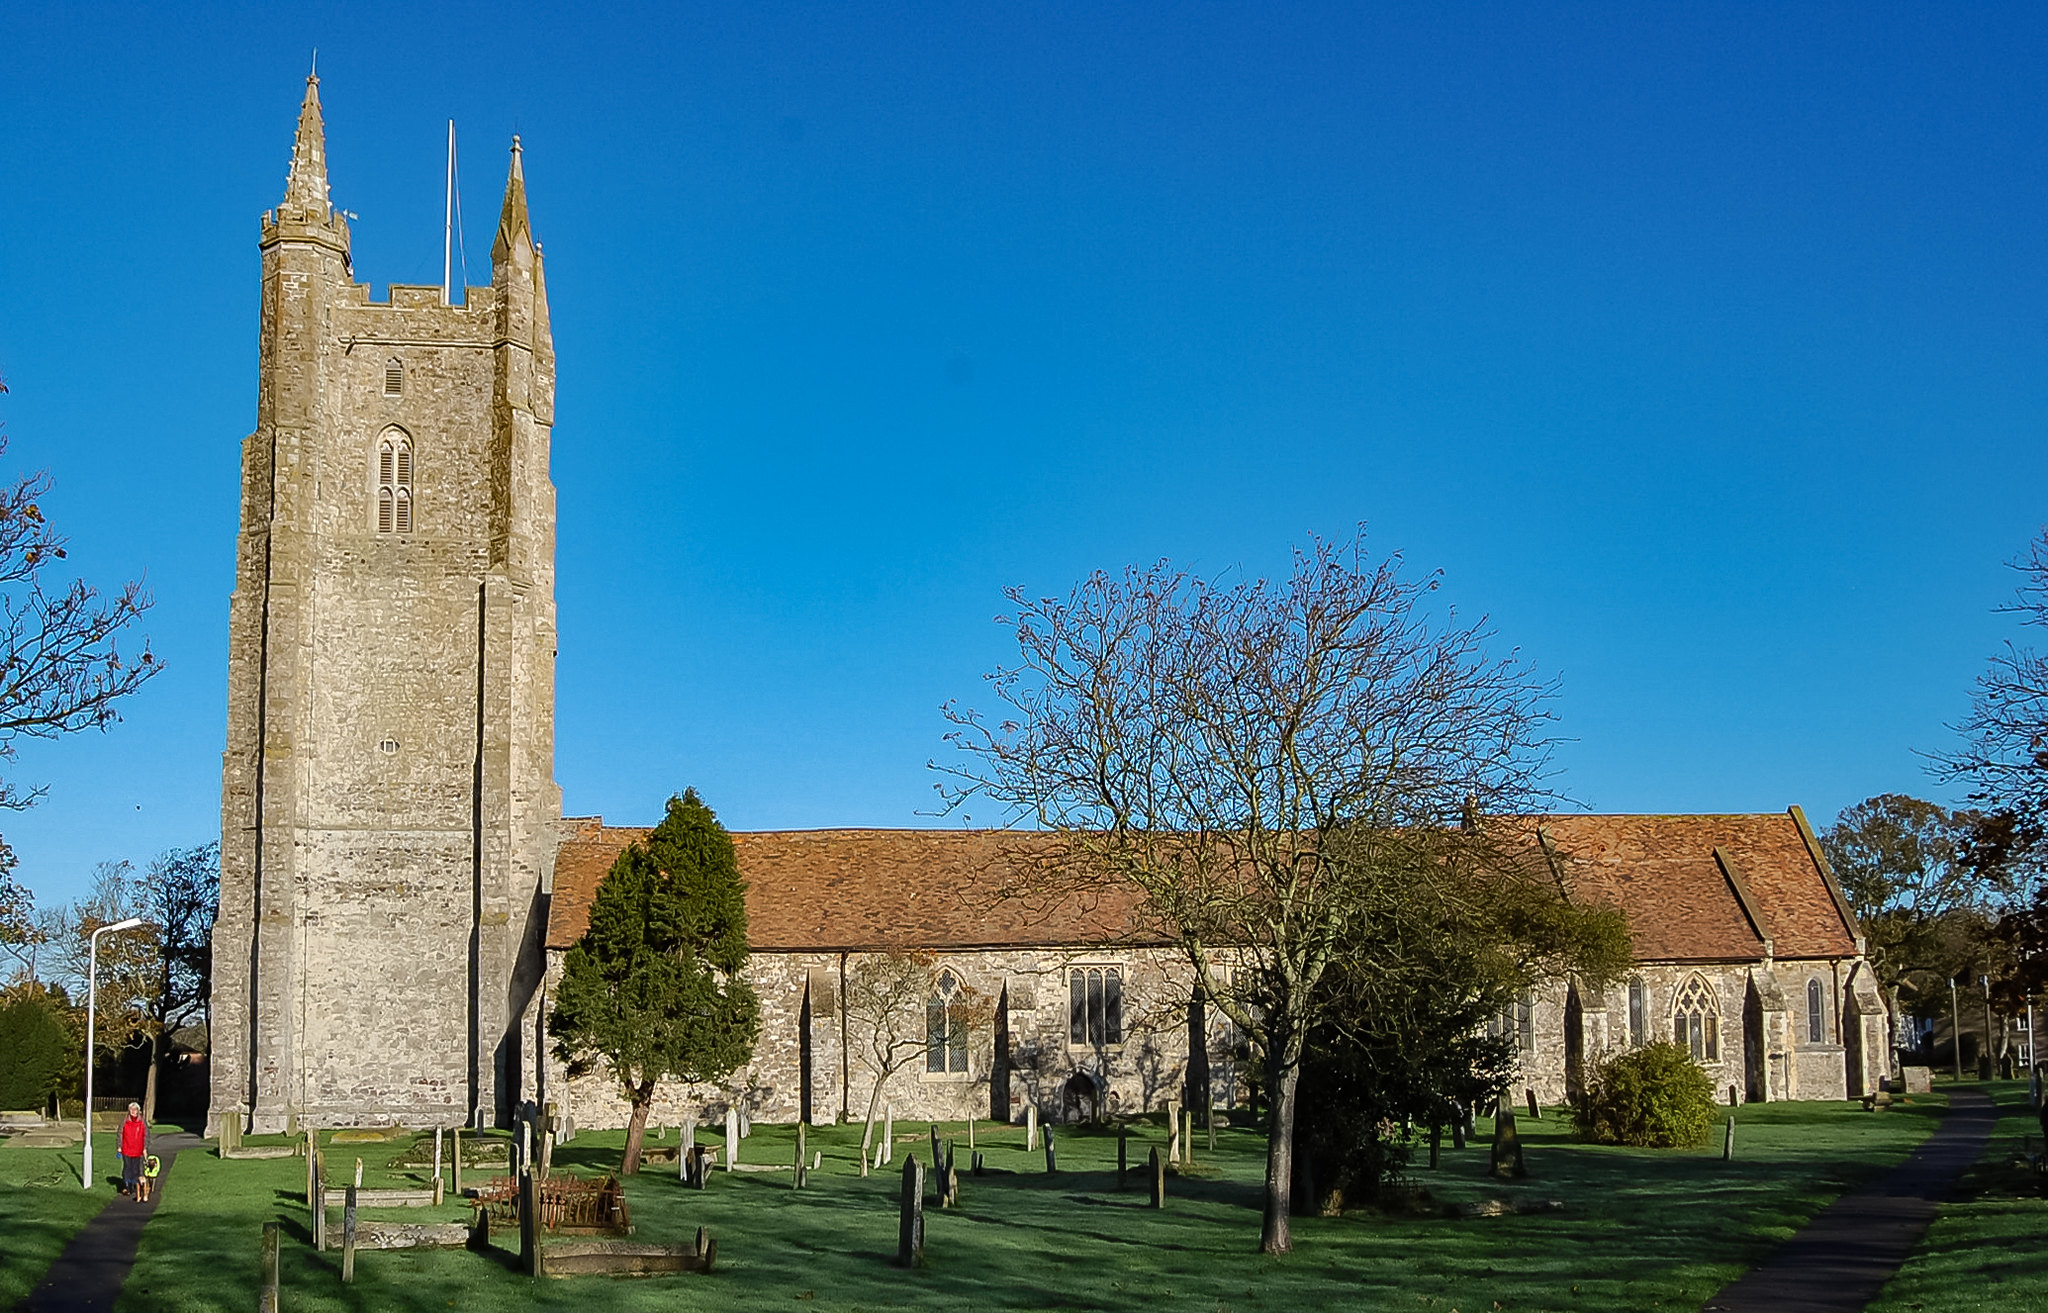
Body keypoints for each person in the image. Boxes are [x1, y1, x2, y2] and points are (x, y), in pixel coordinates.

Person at [117, 1103, 148, 1200]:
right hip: (126, 1148)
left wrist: (145, 1148)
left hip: (138, 1150)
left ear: (138, 1111)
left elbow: (146, 1135)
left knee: (135, 1169)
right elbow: (120, 1133)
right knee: (127, 1168)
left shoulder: (142, 1122)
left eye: (135, 1109)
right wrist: (119, 1146)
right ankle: (126, 1186)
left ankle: (134, 1186)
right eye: (131, 1109)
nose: (133, 1111)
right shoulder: (125, 1121)